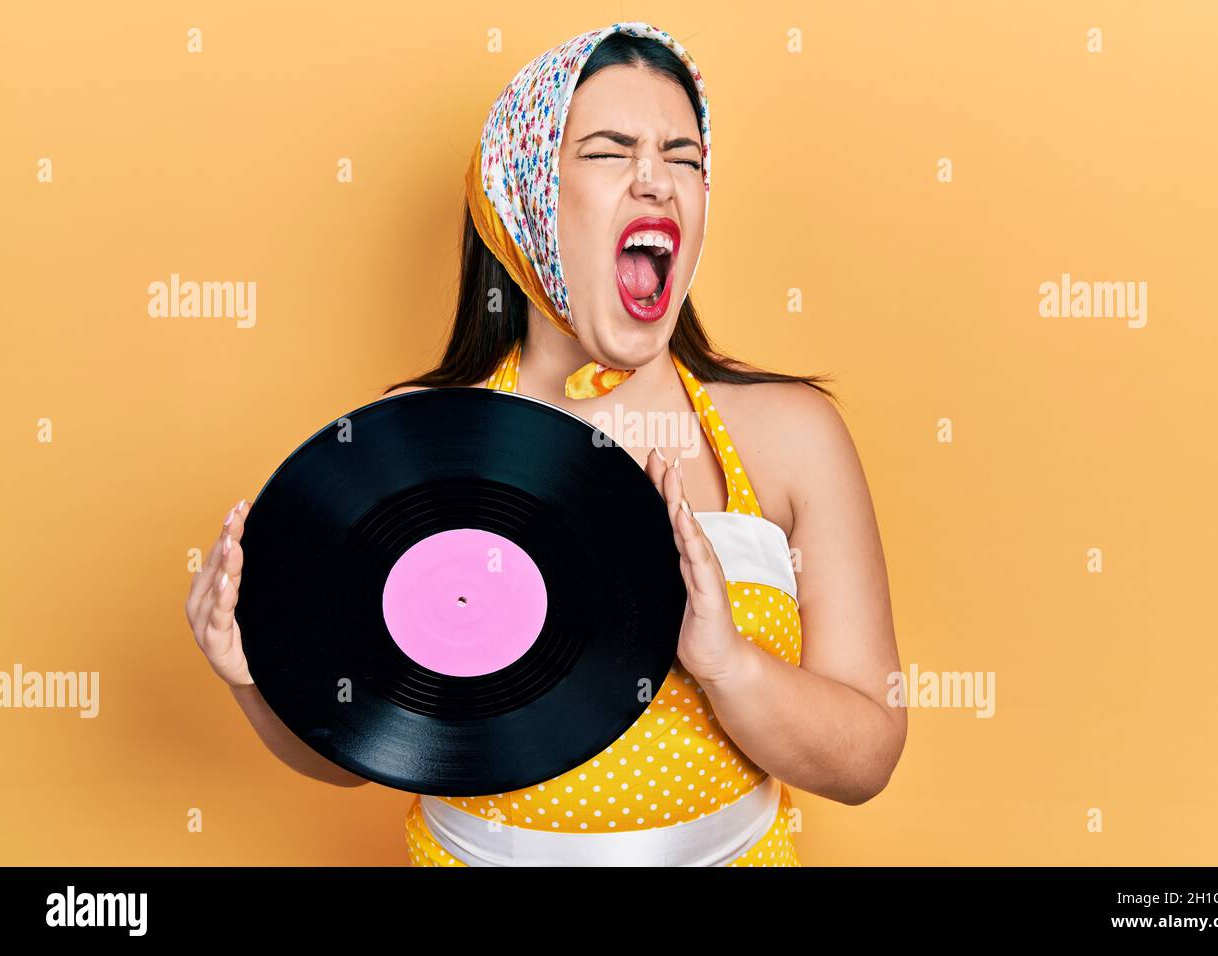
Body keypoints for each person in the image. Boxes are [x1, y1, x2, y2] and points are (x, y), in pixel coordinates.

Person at [184, 22, 905, 867]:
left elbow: (868, 757)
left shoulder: (792, 435)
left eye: (684, 157)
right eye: (610, 152)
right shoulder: (420, 439)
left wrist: (727, 665)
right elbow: (364, 743)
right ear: (525, 196)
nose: (658, 182)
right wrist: (252, 679)